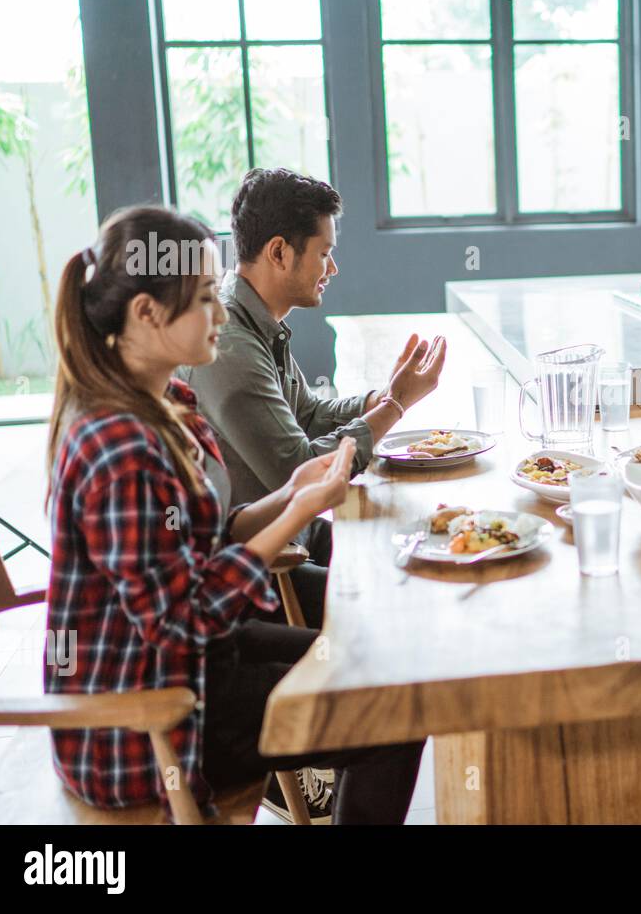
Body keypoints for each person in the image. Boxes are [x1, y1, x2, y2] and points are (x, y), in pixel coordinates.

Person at [46, 205, 424, 824]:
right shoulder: (115, 445)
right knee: (395, 713)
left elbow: (208, 536)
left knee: (383, 656)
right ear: (146, 313)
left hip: (203, 660)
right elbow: (176, 622)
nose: (221, 309)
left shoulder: (170, 399)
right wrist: (294, 512)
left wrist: (289, 494)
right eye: (202, 297)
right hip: (151, 715)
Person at [178, 168, 445, 627]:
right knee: (397, 601)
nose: (333, 269)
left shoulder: (256, 321)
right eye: (325, 253)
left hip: (286, 534)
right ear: (279, 252)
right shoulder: (232, 345)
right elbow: (296, 470)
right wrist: (394, 408)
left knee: (414, 545)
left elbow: (307, 413)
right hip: (266, 564)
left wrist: (382, 396)